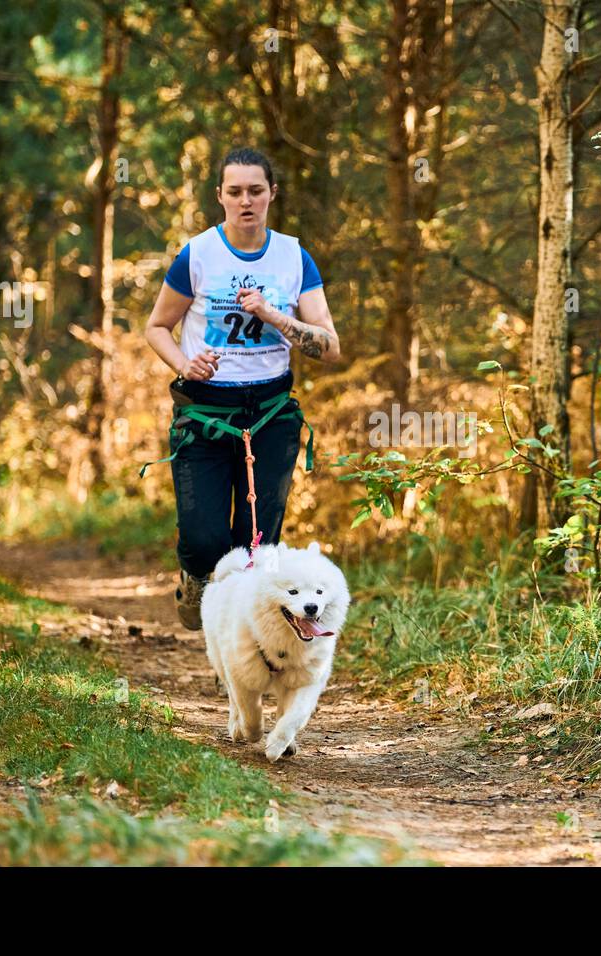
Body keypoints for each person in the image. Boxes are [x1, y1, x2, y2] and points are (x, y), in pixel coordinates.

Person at [144, 146, 340, 630]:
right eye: (235, 192)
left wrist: (272, 314)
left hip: (271, 414)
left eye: (256, 190)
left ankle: (240, 643)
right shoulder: (198, 254)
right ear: (220, 197)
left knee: (256, 546)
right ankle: (194, 578)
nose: (245, 201)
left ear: (272, 194)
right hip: (206, 415)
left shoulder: (294, 257)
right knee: (205, 538)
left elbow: (329, 345)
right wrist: (186, 364)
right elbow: (156, 327)